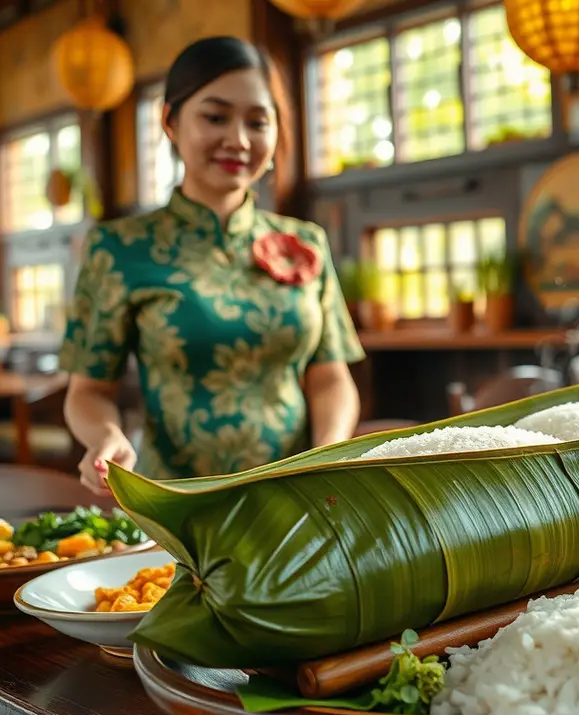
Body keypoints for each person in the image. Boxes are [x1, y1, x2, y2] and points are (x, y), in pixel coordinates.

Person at [60, 36, 364, 494]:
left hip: (302, 500)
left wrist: (329, 454)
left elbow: (330, 380)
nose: (238, 140)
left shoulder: (305, 242)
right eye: (215, 117)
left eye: (258, 121)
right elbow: (88, 391)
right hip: (179, 507)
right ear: (170, 122)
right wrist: (106, 437)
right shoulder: (118, 249)